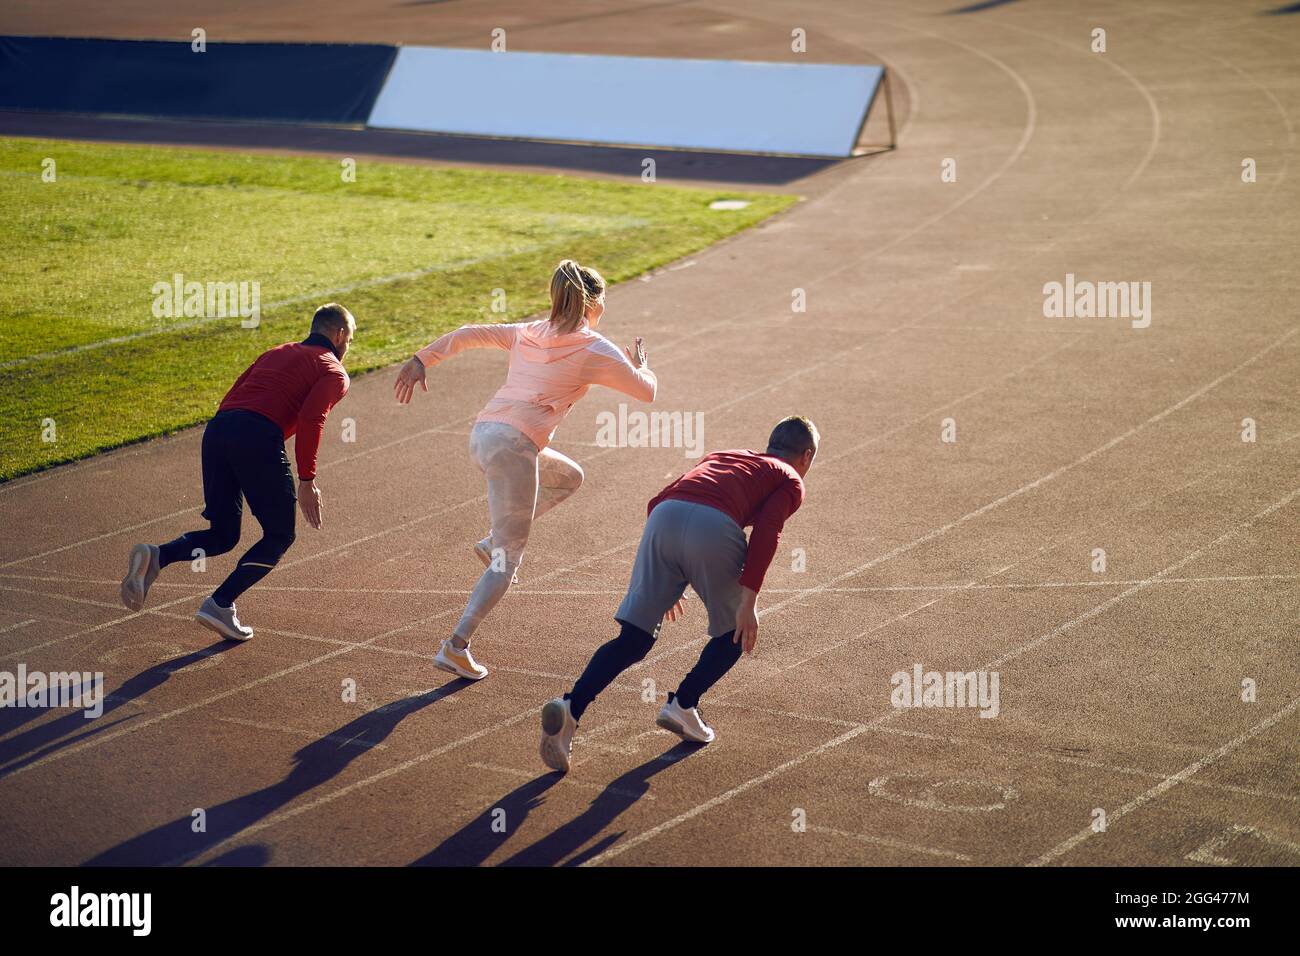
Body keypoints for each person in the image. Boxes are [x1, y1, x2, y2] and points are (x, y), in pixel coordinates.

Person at [394, 260, 656, 681]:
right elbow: (646, 393)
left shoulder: (529, 330)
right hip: (513, 448)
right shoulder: (595, 347)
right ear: (594, 302)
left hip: (485, 435)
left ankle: (489, 542)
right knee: (507, 561)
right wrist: (642, 365)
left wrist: (421, 359)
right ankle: (455, 646)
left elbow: (466, 333)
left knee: (569, 477)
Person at [539, 416, 819, 772]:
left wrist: (671, 576)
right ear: (806, 456)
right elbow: (767, 532)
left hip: (664, 518)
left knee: (634, 639)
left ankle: (570, 708)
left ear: (770, 443)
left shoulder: (723, 456)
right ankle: (683, 705)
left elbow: (658, 500)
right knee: (735, 632)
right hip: (713, 527)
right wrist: (749, 603)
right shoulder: (790, 478)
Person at [119, 304, 355, 640]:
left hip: (218, 431)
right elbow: (311, 419)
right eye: (350, 340)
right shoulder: (333, 371)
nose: (348, 349)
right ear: (340, 335)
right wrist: (307, 480)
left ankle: (158, 556)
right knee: (279, 535)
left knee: (223, 534)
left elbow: (235, 393)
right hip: (256, 436)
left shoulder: (275, 351)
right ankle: (219, 604)